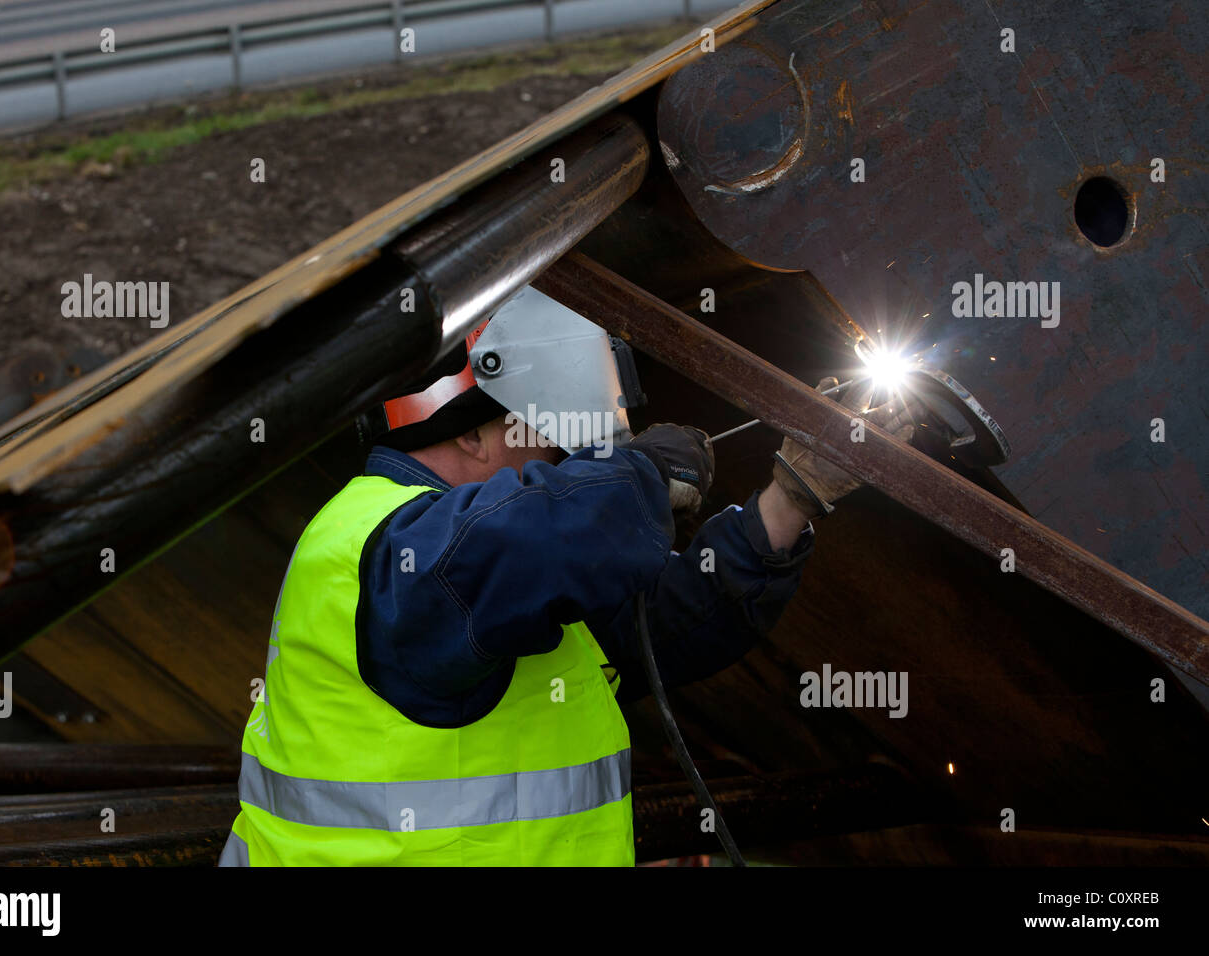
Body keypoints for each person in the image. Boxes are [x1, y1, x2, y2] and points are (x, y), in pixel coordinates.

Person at [219, 285, 908, 866]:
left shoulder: (501, 574)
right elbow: (523, 544)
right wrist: (633, 477)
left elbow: (660, 626)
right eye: (559, 446)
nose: (570, 468)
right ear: (472, 432)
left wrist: (793, 496)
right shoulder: (387, 541)